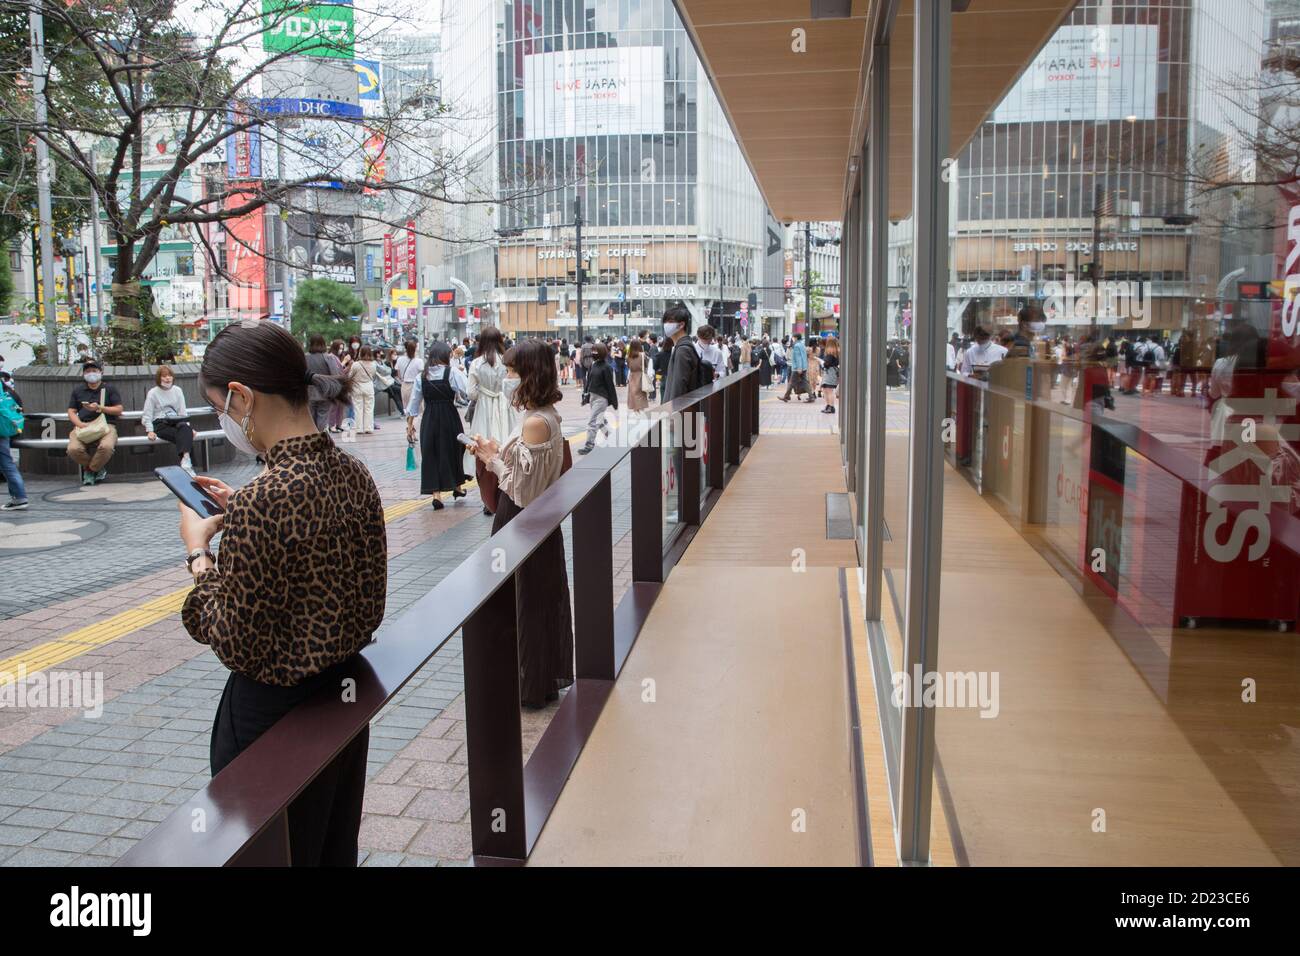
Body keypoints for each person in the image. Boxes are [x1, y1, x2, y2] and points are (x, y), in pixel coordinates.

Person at [177, 319, 385, 867]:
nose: (224, 419)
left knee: (269, 850)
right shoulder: (353, 472)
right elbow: (361, 597)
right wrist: (243, 513)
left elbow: (234, 640)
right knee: (330, 846)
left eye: (220, 405)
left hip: (271, 717)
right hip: (342, 698)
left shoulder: (264, 500)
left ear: (243, 397)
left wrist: (200, 555)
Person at [470, 339, 573, 709]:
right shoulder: (546, 415)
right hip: (538, 525)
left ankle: (528, 682)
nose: (507, 377)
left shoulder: (534, 422)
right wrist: (498, 452)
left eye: (513, 371)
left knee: (522, 599)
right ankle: (539, 678)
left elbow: (522, 491)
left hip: (521, 521)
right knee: (536, 598)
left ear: (529, 374)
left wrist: (492, 460)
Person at [405, 341, 469, 510]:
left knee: (431, 453)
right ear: (444, 356)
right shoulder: (452, 372)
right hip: (449, 416)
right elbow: (466, 390)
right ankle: (457, 486)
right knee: (454, 449)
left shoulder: (421, 376)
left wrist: (410, 425)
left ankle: (436, 495)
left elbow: (414, 403)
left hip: (430, 417)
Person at [466, 326, 516, 515]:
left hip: (484, 409)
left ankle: (487, 499)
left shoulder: (477, 363)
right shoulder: (507, 361)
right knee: (507, 448)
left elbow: (470, 392)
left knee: (482, 452)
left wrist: (483, 394)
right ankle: (506, 493)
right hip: (505, 407)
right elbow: (513, 387)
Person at [67, 359, 123, 484]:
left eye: (94, 370)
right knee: (73, 449)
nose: (91, 373)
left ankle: (90, 470)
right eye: (87, 371)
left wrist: (100, 408)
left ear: (101, 372)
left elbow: (119, 409)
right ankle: (97, 468)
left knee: (107, 447)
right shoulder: (78, 391)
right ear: (83, 374)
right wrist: (79, 424)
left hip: (106, 426)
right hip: (84, 425)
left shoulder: (110, 389)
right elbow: (71, 411)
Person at [143, 365, 196, 474]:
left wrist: (189, 427)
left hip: (176, 421)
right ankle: (188, 466)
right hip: (160, 423)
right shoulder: (153, 393)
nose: (167, 378)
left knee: (185, 429)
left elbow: (182, 412)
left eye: (169, 375)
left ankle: (186, 460)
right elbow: (147, 414)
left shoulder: (178, 390)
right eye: (164, 376)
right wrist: (150, 430)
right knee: (185, 435)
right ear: (159, 378)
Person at [579, 343, 618, 455]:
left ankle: (589, 445)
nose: (593, 353)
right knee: (600, 421)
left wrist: (614, 402)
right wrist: (585, 395)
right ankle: (613, 439)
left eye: (596, 351)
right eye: (593, 351)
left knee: (592, 421)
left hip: (601, 398)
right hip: (592, 396)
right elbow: (589, 381)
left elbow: (610, 385)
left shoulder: (607, 367)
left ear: (601, 352)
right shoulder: (593, 365)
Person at [660, 304, 701, 403]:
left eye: (670, 322)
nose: (666, 325)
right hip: (683, 412)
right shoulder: (682, 347)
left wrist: (671, 414)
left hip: (679, 413)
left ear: (681, 325)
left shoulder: (683, 350)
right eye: (665, 322)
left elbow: (679, 386)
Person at [305, 334, 346, 432]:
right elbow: (335, 375)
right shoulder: (329, 357)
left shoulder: (305, 357)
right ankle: (320, 436)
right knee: (322, 416)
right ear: (323, 344)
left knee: (311, 417)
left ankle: (312, 435)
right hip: (325, 391)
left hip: (309, 392)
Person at [1, 371, 28, 510]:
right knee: (7, 464)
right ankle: (19, 498)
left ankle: (20, 497)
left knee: (7, 465)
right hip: (4, 431)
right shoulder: (5, 389)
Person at [348, 347, 378, 434]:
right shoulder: (373, 364)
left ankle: (359, 428)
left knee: (358, 408)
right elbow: (373, 375)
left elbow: (350, 376)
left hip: (357, 387)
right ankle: (368, 427)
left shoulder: (356, 364)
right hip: (368, 386)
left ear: (360, 353)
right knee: (369, 408)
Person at [779, 334, 810, 403]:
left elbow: (798, 358)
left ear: (795, 338)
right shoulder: (802, 345)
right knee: (805, 382)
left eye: (793, 337)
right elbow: (804, 356)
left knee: (791, 382)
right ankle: (811, 396)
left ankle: (786, 396)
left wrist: (799, 367)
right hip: (804, 366)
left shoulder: (796, 346)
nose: (792, 339)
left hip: (797, 368)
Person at [626, 338, 650, 414]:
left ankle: (636, 411)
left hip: (632, 376)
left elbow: (629, 367)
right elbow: (646, 365)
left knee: (633, 394)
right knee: (641, 394)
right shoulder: (643, 355)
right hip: (641, 376)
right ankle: (641, 411)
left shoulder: (628, 357)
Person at [820, 337, 840, 414]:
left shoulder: (830, 352)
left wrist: (823, 364)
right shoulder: (836, 351)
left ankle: (831, 406)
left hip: (830, 372)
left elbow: (827, 363)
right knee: (826, 389)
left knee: (828, 390)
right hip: (832, 372)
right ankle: (829, 406)